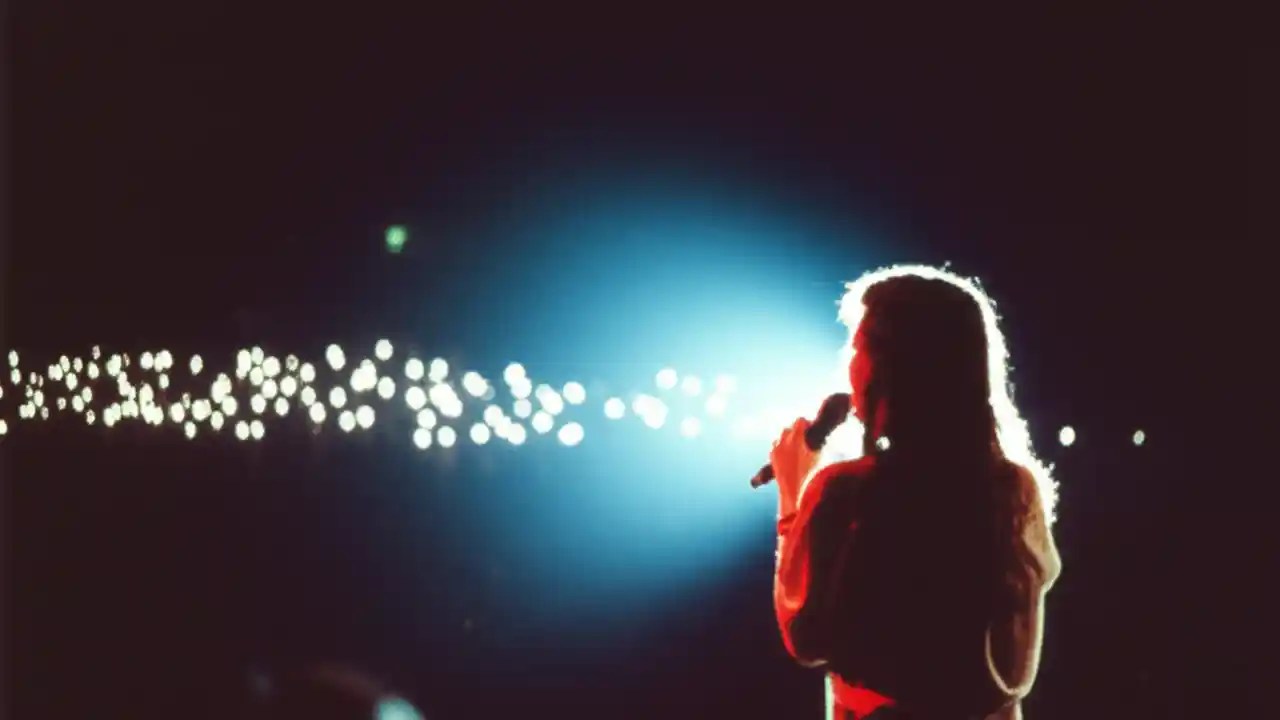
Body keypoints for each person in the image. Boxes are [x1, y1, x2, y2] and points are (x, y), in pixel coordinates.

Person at [770, 265, 1061, 719]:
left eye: (859, 345)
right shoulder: (1014, 491)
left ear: (890, 366)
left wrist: (794, 493)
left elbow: (806, 637)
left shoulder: (847, 491)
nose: (848, 365)